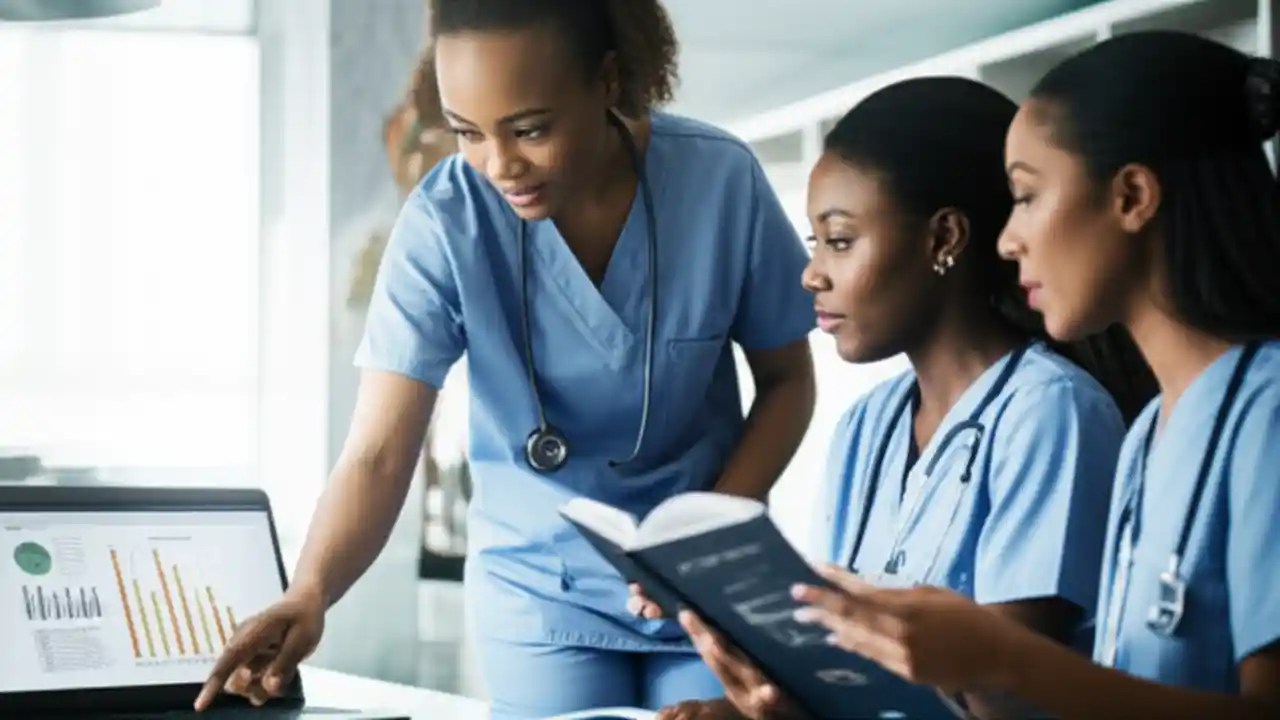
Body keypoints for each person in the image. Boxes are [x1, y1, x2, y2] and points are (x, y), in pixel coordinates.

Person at [195, 0, 817, 717]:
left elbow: (786, 381)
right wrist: (311, 588)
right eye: (468, 132)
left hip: (701, 587)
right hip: (541, 594)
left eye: (530, 129)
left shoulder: (720, 181)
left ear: (609, 82)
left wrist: (705, 539)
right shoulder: (445, 220)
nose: (500, 165)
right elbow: (377, 451)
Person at [778, 32, 1280, 719]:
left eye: (1026, 197)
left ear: (1132, 196)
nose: (1008, 239)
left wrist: (999, 657)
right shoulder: (1150, 440)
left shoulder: (1264, 413)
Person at [655, 77, 1148, 720]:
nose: (812, 274)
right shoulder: (865, 427)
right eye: (815, 244)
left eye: (839, 240)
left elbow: (1006, 696)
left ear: (943, 238)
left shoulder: (1050, 413)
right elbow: (836, 664)